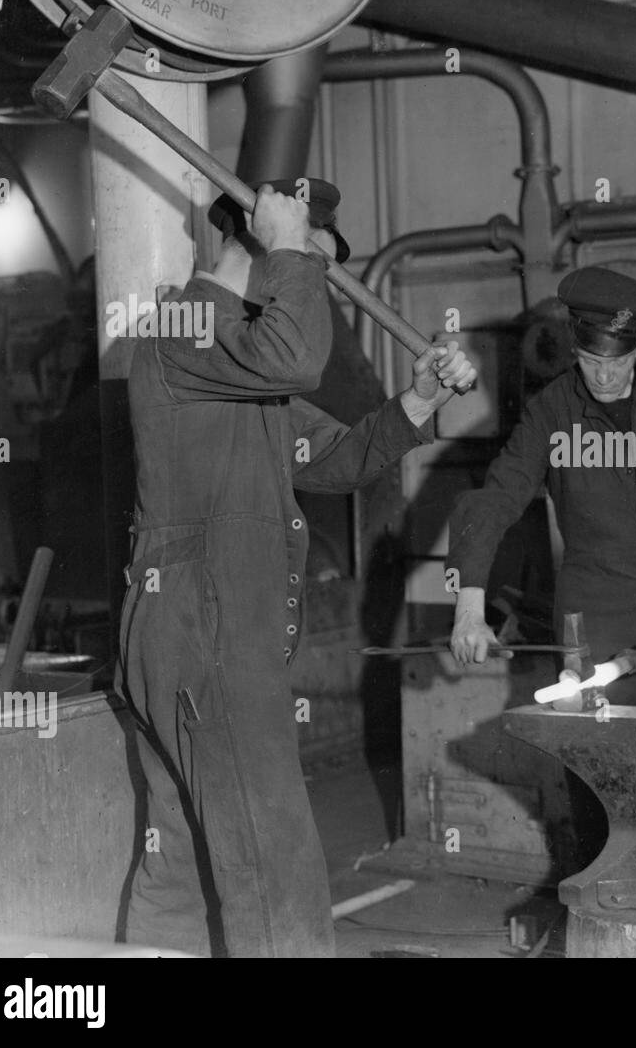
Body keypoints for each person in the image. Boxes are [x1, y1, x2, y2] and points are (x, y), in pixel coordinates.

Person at [118, 179, 474, 957]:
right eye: (309, 260)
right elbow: (300, 354)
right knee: (273, 862)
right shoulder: (186, 326)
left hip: (195, 631)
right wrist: (287, 245)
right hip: (205, 630)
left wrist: (414, 403)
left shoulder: (240, 362)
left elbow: (338, 454)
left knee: (179, 862)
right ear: (259, 236)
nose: (312, 282)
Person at [447, 266, 636, 708]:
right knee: (603, 754)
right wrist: (469, 609)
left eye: (617, 361)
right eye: (591, 361)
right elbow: (496, 499)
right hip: (596, 625)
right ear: (573, 346)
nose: (604, 376)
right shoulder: (550, 413)